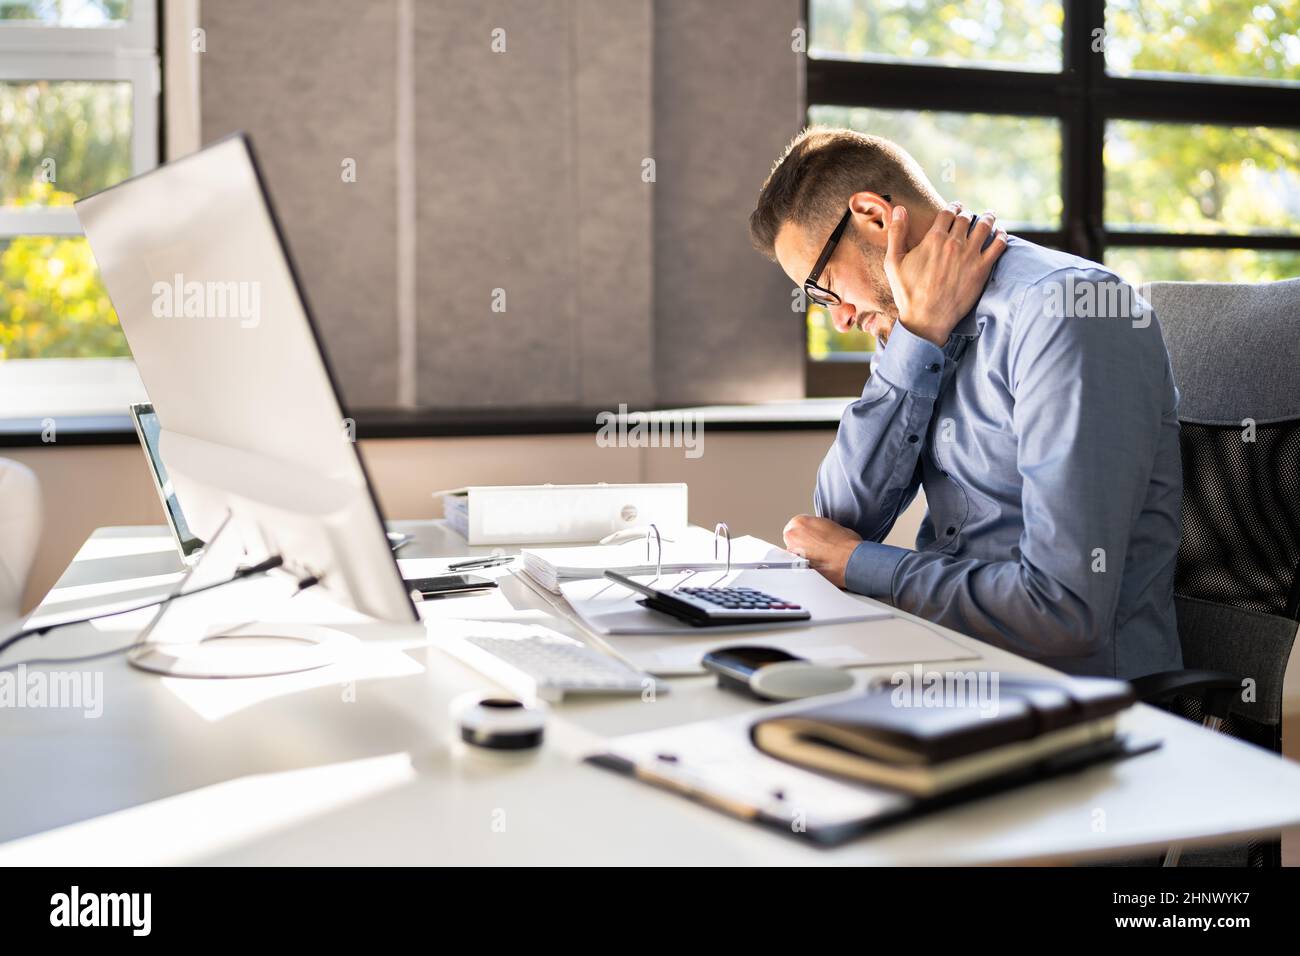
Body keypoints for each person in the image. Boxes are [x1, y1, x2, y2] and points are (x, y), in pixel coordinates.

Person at [749, 127, 1182, 678]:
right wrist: (917, 335)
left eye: (824, 286)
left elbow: (1063, 610)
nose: (838, 316)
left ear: (874, 217)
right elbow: (838, 519)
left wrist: (859, 564)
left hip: (1063, 692)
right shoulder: (913, 324)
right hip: (945, 658)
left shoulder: (1071, 315)